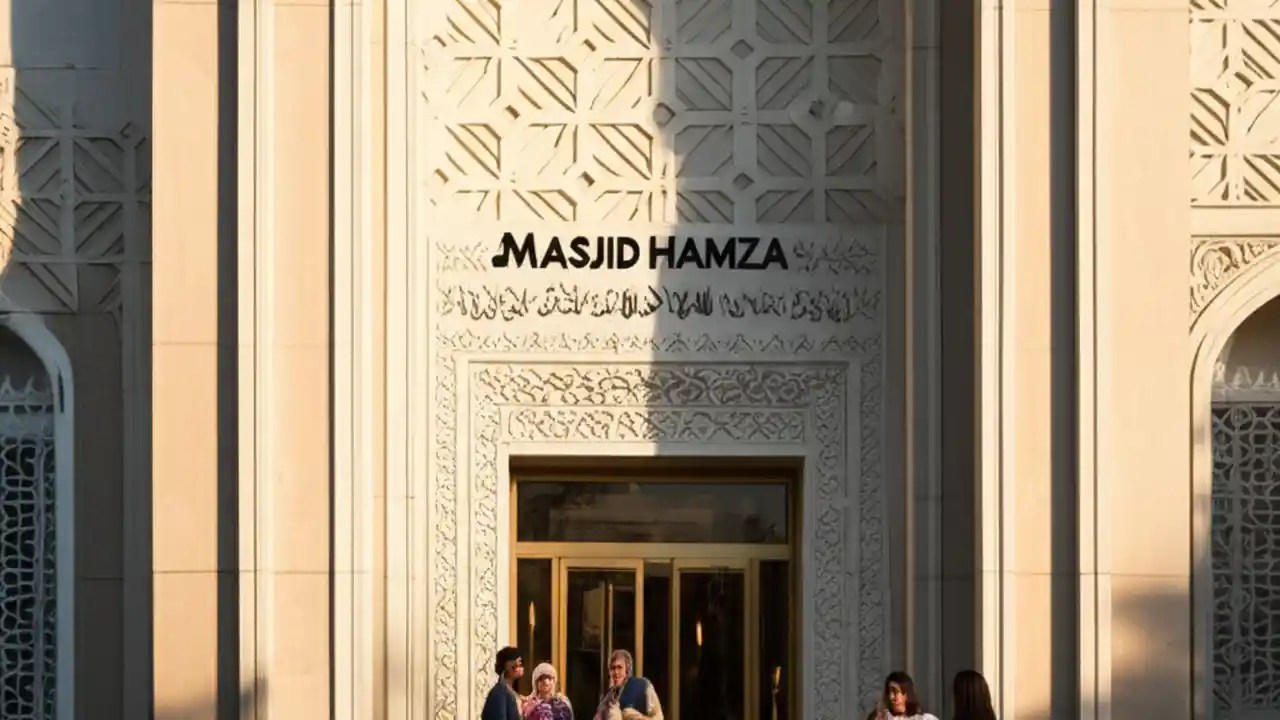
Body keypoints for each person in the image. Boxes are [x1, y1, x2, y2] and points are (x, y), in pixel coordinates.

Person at [593, 649, 663, 720]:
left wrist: (639, 718)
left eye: (619, 667)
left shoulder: (643, 686)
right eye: (613, 668)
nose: (616, 672)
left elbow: (659, 718)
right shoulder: (609, 697)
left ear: (627, 670)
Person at [865, 671, 939, 720]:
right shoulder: (882, 717)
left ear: (906, 693)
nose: (892, 697)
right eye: (889, 692)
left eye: (895, 692)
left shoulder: (925, 719)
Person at [482, 646, 524, 720]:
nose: (520, 667)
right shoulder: (499, 693)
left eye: (521, 664)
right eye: (515, 665)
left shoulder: (512, 692)